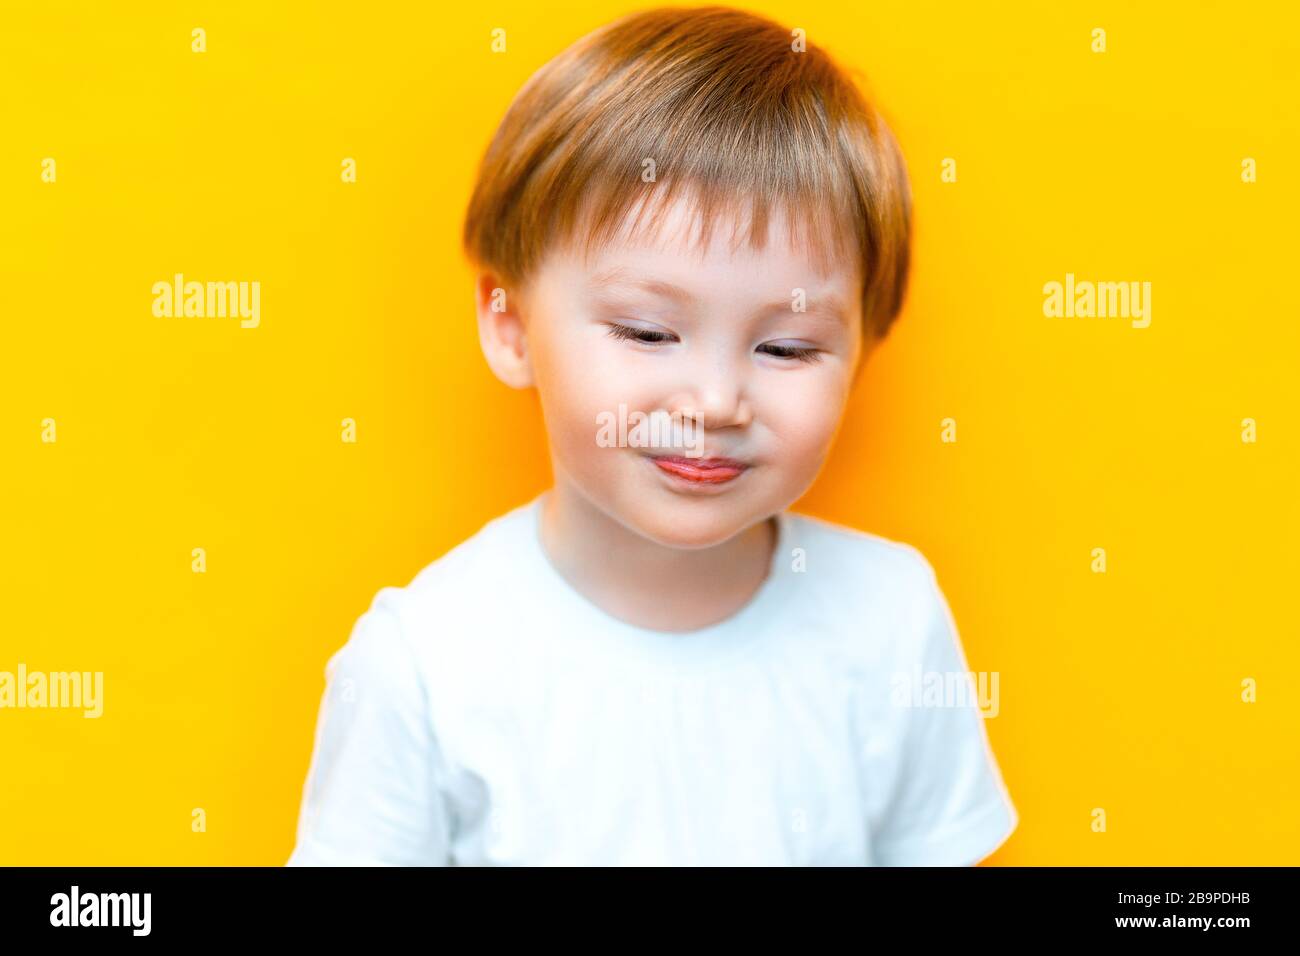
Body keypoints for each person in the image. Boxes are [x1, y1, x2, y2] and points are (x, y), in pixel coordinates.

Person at [286, 5, 1017, 866]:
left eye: (786, 347)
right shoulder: (424, 666)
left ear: (859, 356)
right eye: (645, 331)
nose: (714, 401)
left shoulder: (890, 619)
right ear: (512, 325)